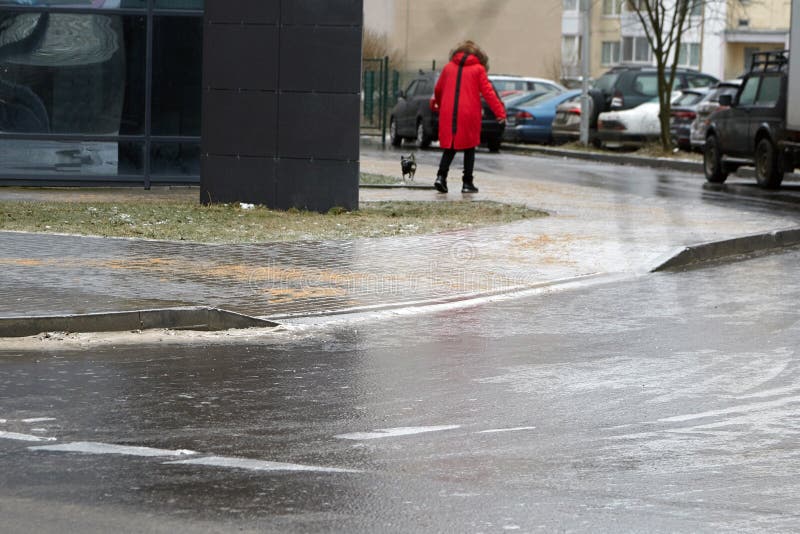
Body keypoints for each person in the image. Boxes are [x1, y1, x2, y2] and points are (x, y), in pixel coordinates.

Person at [432, 41, 506, 194]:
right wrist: (500, 113)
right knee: (469, 146)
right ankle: (467, 183)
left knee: (450, 146)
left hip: (448, 110)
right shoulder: (478, 69)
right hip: (469, 112)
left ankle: (441, 176)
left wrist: (439, 104)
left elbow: (438, 89)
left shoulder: (448, 68)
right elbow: (489, 93)